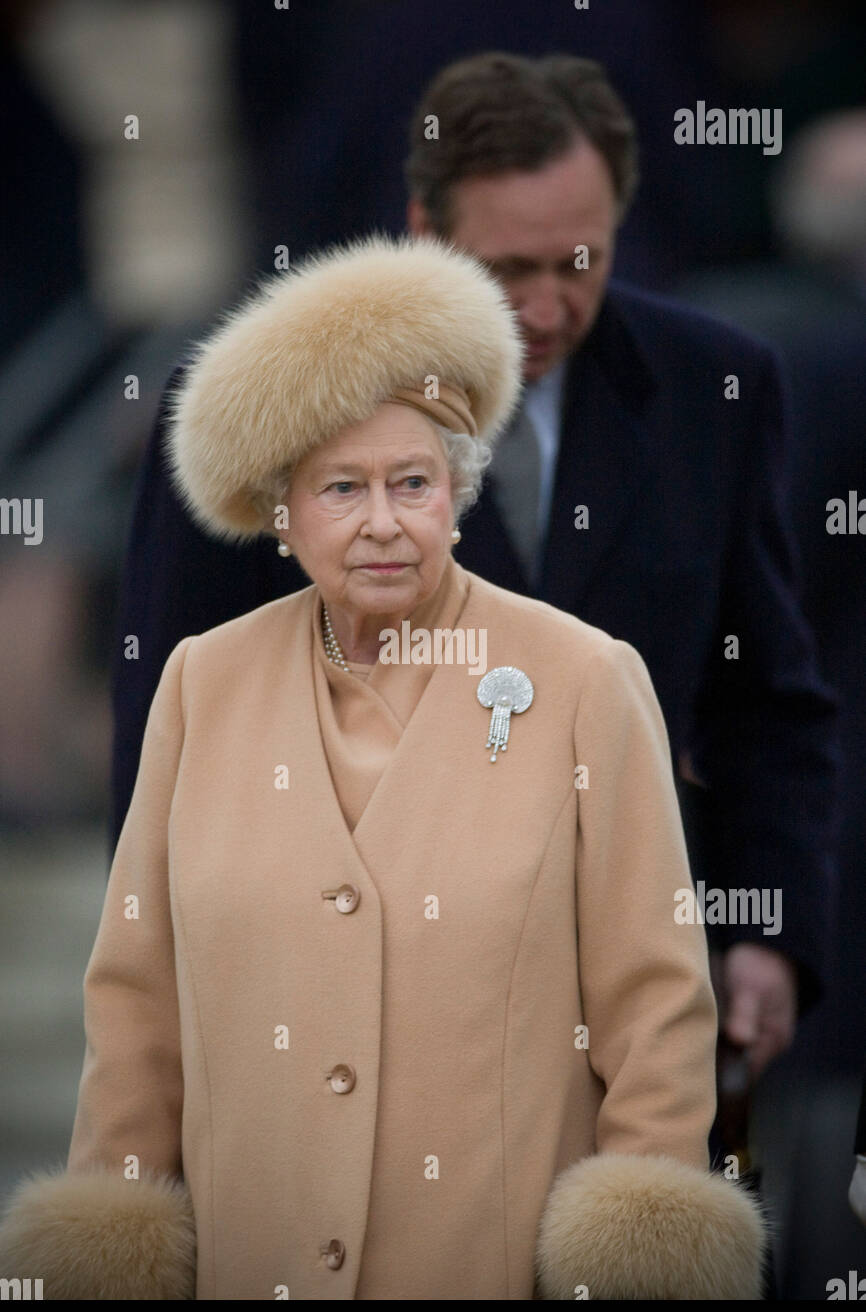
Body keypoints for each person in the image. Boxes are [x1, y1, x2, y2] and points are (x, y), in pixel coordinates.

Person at [0, 236, 763, 1300]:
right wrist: (112, 1239)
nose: (380, 524)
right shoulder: (200, 682)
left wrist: (632, 1246)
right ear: (280, 514)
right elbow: (136, 1003)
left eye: (412, 482)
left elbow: (652, 1000)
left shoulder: (584, 677)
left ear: (458, 490)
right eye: (339, 488)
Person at [110, 54, 839, 1099]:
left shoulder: (712, 387)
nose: (544, 307)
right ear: (421, 225)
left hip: (627, 1006)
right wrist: (167, 1033)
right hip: (339, 1015)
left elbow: (765, 706)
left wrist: (768, 936)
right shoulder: (264, 403)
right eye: (506, 270)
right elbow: (165, 735)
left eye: (576, 262)